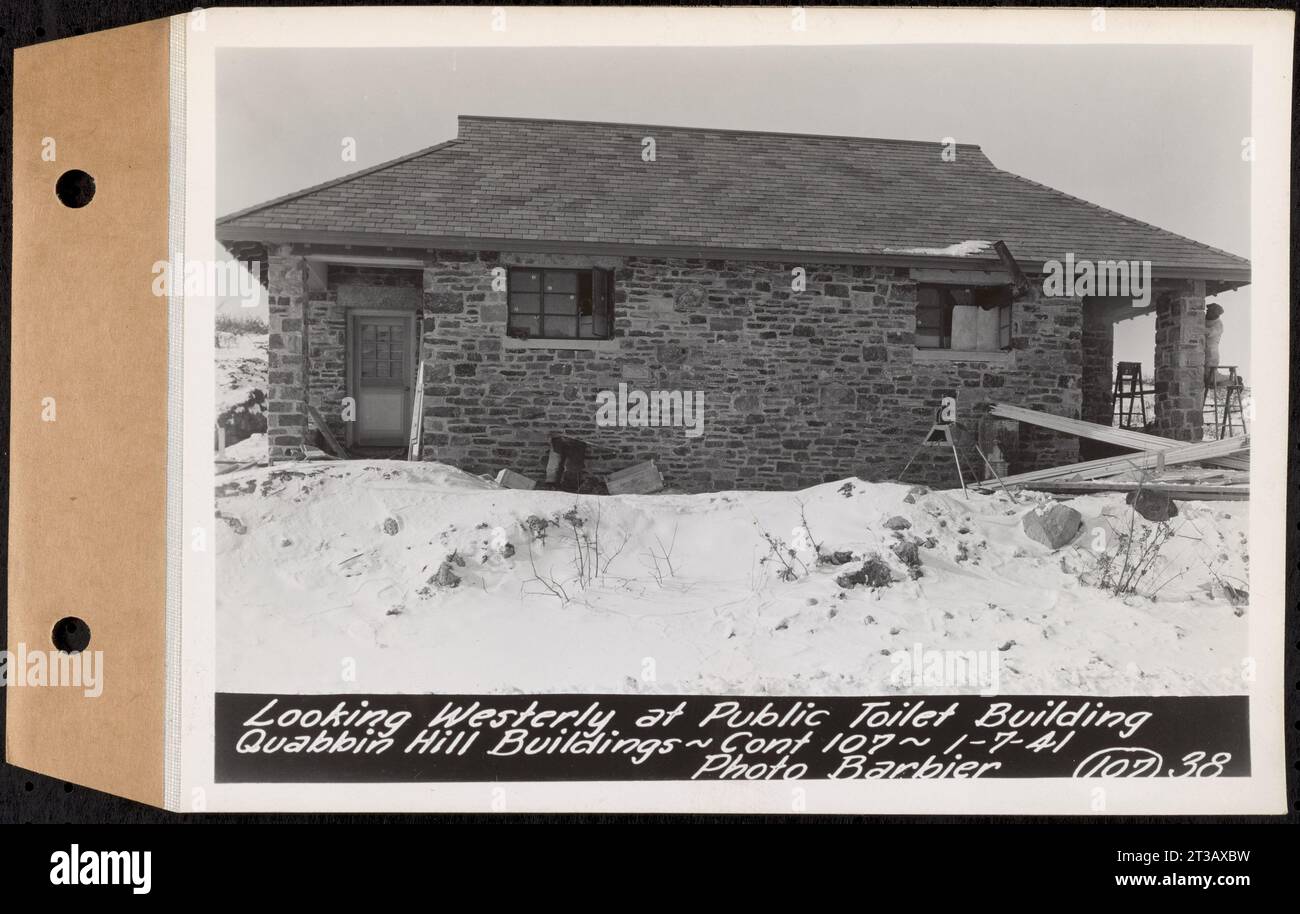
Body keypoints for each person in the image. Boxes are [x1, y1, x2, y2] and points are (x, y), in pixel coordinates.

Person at [1203, 302, 1224, 388]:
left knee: (1210, 377)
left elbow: (1208, 332)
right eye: (1208, 311)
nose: (1207, 313)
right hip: (1204, 350)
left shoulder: (1218, 325)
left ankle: (1234, 379)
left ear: (1215, 314)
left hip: (1212, 353)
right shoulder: (1205, 319)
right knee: (1204, 376)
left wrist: (1196, 327)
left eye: (1210, 312)